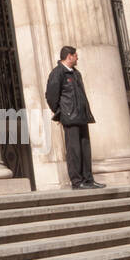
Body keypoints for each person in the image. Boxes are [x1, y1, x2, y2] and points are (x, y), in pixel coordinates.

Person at [44, 46, 106, 190]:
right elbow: (51, 96)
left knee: (85, 149)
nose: (77, 58)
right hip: (70, 117)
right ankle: (77, 182)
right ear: (69, 56)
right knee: (74, 150)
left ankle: (88, 179)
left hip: (82, 116)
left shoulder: (76, 73)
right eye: (75, 55)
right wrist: (61, 112)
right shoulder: (57, 73)